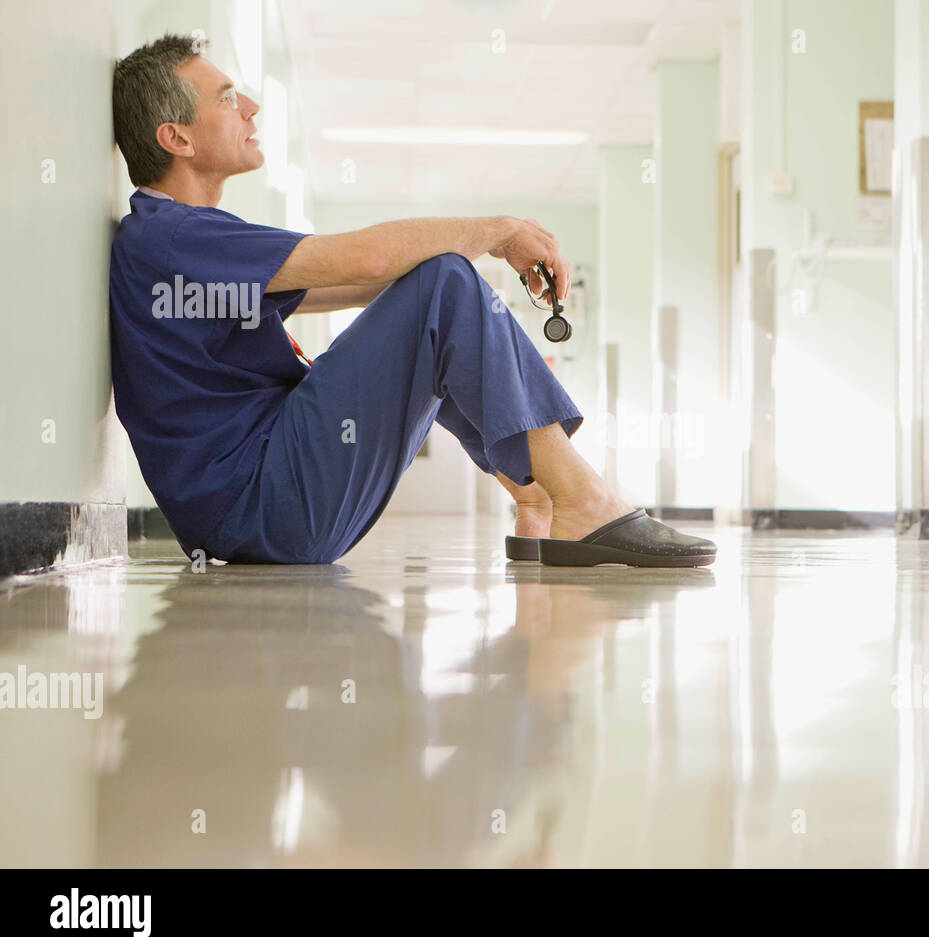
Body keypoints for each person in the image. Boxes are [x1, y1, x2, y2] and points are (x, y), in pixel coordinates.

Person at [109, 34, 715, 568]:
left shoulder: (177, 241)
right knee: (445, 284)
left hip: (260, 506)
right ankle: (582, 501)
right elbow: (370, 261)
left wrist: (444, 268)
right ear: (176, 137)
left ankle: (538, 498)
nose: (250, 106)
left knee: (438, 284)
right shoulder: (173, 236)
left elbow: (354, 282)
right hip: (266, 503)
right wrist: (498, 233)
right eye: (225, 97)